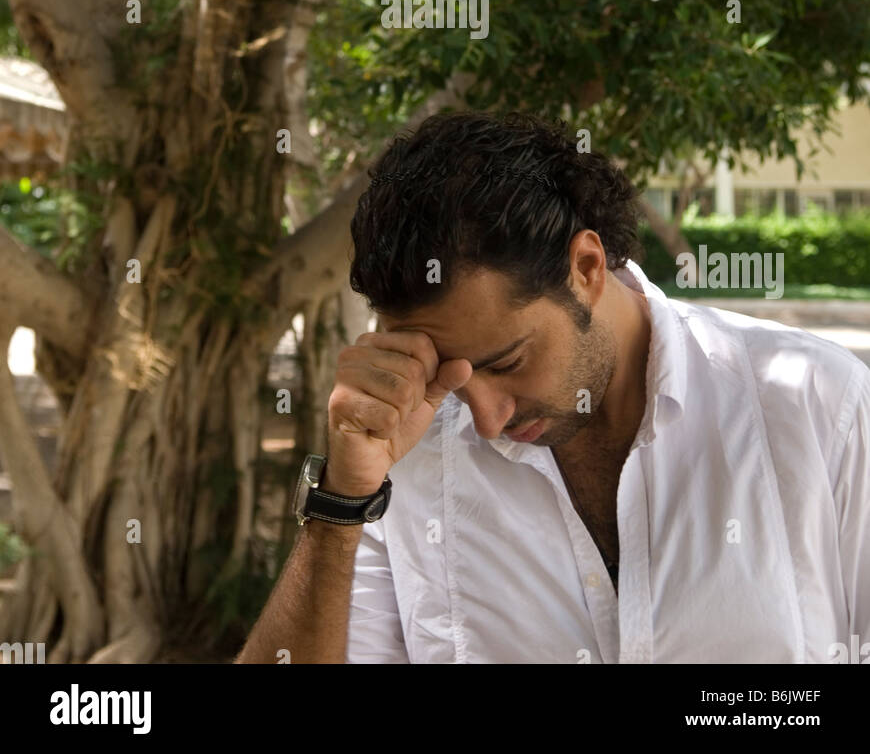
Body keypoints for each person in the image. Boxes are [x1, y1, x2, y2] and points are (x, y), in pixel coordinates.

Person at [237, 111, 870, 664]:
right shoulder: (403, 454)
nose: (484, 418)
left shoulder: (817, 405)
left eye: (507, 361)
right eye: (447, 376)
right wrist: (343, 500)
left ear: (587, 268)